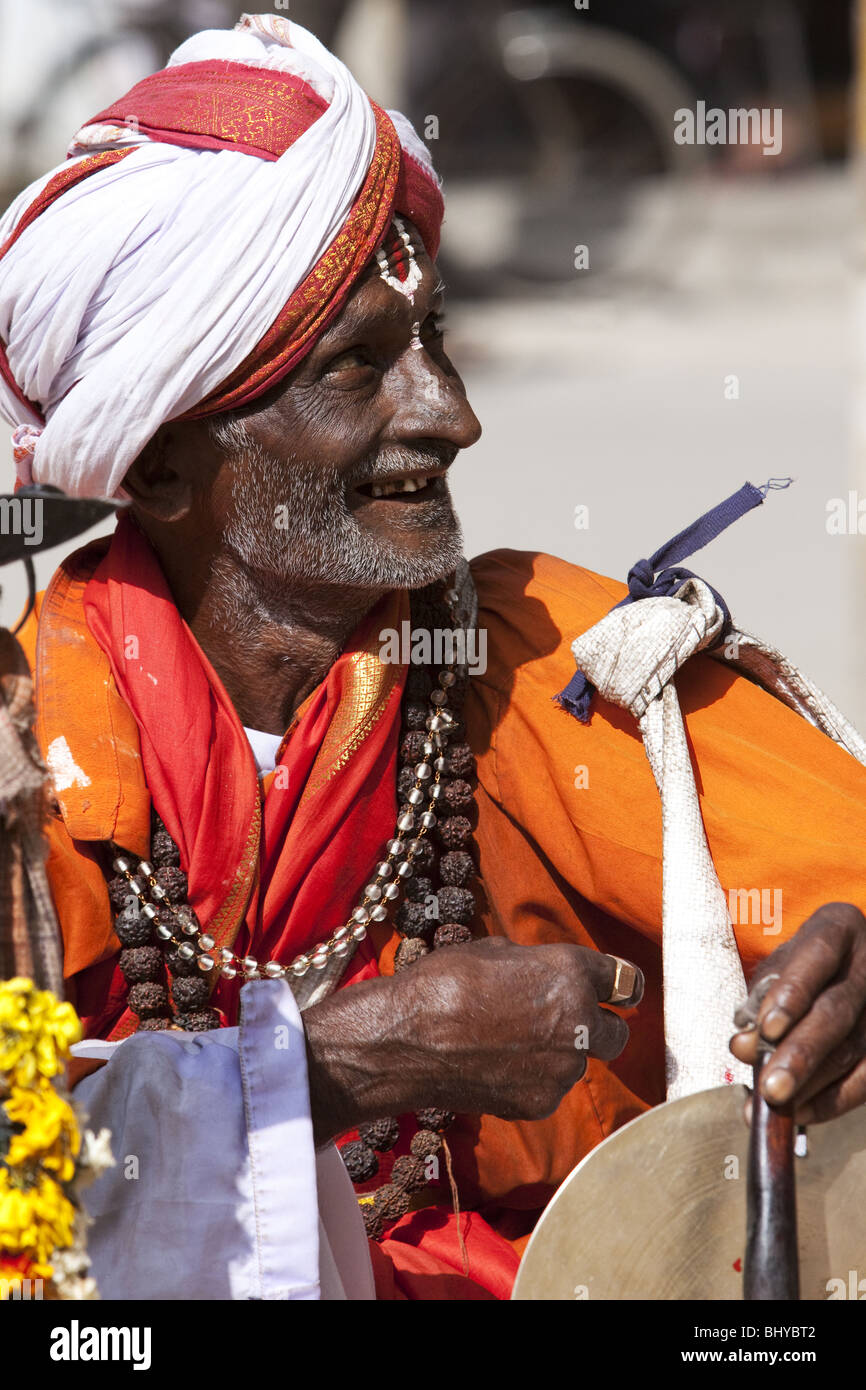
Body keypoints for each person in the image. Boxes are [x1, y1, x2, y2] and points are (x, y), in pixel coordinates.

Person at [2, 14, 866, 1301]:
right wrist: (334, 1063)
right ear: (161, 462)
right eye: (359, 367)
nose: (450, 415)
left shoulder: (548, 660)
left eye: (437, 342)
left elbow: (833, 878)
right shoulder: (29, 763)